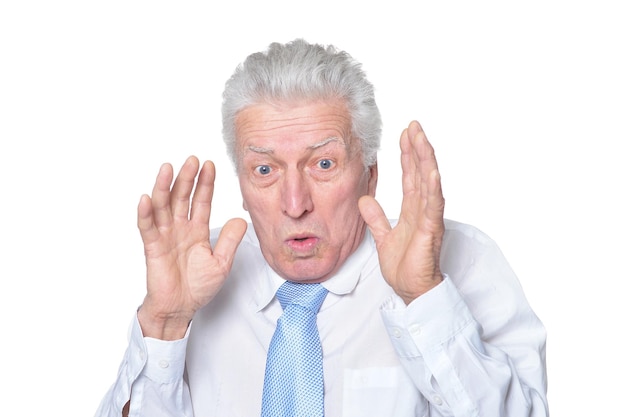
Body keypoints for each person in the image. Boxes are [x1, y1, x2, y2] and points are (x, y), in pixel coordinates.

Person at [95, 39, 548, 417]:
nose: (295, 204)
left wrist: (425, 298)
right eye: (265, 170)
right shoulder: (197, 276)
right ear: (242, 186)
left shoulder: (462, 260)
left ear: (370, 175)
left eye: (324, 163)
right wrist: (165, 324)